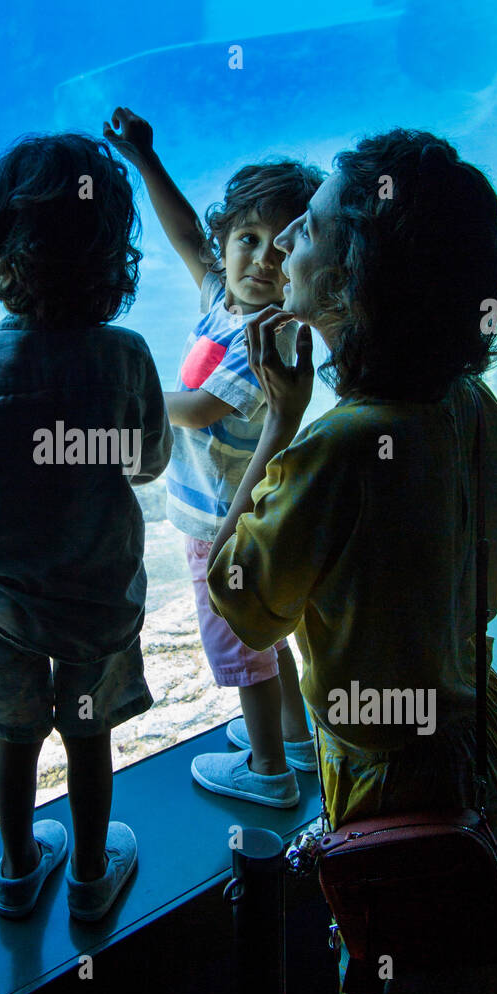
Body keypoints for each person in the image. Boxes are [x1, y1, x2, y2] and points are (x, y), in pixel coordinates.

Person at [205, 127, 497, 994]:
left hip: (394, 805)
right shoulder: (471, 404)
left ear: (352, 280)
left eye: (309, 227)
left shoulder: (338, 450)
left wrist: (280, 422)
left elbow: (239, 602)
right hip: (487, 751)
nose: (283, 239)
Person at [0, 133, 172, 922]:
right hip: (96, 596)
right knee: (88, 733)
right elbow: (148, 462)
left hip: (2, 601)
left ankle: (18, 868)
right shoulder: (124, 356)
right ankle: (91, 876)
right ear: (113, 255)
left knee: (16, 733)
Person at [104, 106, 323, 806]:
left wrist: (124, 389)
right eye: (247, 239)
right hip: (235, 512)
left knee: (237, 644)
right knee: (264, 631)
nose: (261, 260)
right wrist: (145, 159)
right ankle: (295, 739)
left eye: (282, 248)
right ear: (225, 242)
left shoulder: (268, 333)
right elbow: (183, 234)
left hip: (221, 524)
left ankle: (268, 772)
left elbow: (200, 409)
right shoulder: (222, 302)